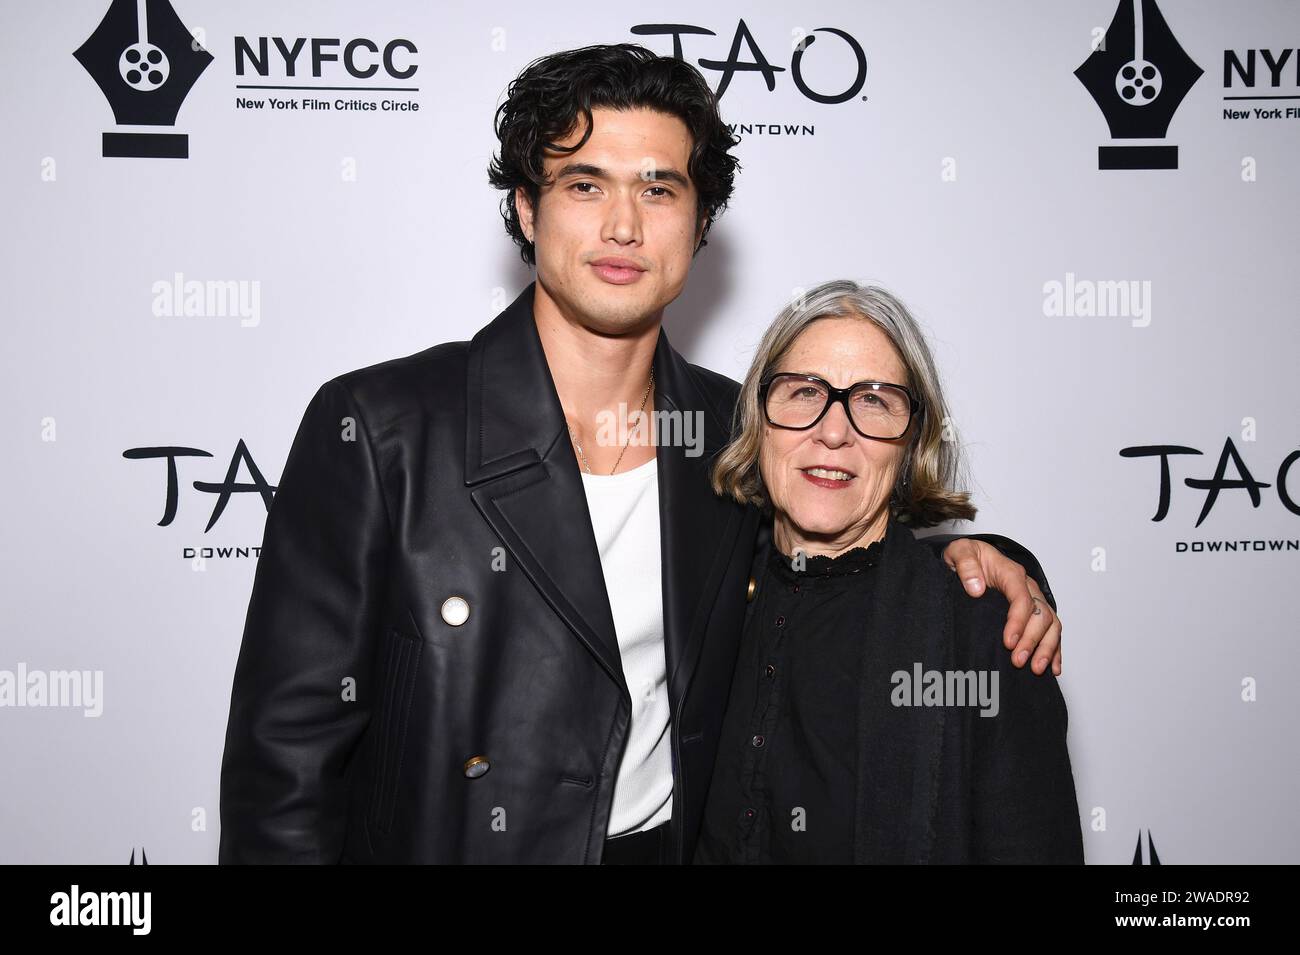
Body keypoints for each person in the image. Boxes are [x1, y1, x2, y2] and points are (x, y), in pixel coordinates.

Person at [218, 45, 1063, 865]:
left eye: (659, 189)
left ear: (699, 224)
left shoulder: (739, 428)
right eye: (585, 185)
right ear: (526, 207)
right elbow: (284, 765)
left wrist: (977, 562)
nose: (623, 226)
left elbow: (843, 553)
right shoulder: (381, 428)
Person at [695, 281, 1084, 864]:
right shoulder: (706, 590)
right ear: (759, 416)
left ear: (912, 441)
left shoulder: (981, 629)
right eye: (804, 391)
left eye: (875, 400)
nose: (833, 431)